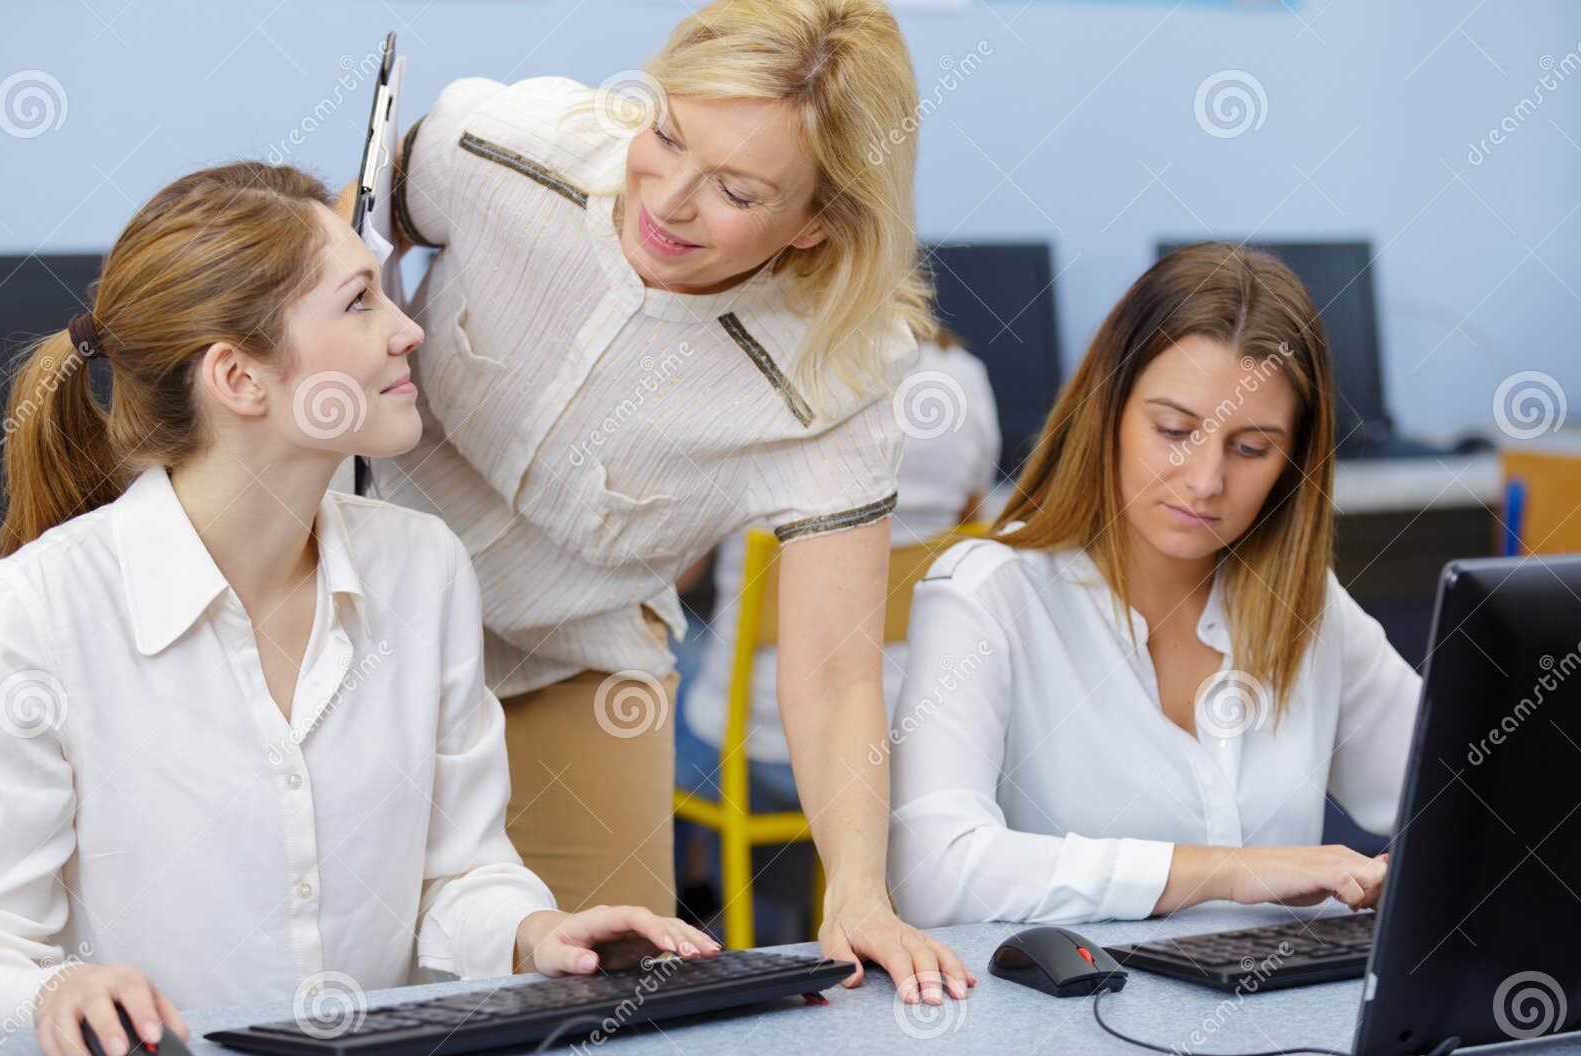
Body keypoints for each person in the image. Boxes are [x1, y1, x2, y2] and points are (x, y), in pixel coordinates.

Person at [0, 161, 717, 1056]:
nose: (407, 329)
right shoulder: (32, 615)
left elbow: (458, 873)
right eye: (360, 300)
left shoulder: (423, 569)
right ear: (241, 379)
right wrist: (56, 992)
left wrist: (534, 932)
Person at [349, 0, 972, 1002]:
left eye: (733, 188)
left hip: (572, 656)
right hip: (353, 620)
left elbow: (831, 671)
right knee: (336, 978)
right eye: (668, 134)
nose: (668, 199)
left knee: (609, 1006)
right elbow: (338, 260)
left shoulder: (831, 383)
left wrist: (859, 887)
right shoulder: (502, 144)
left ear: (819, 219)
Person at [888, 243, 1409, 928]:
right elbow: (933, 873)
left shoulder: (1305, 601)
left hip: (1283, 1023)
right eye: (1174, 429)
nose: (1205, 480)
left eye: (1251, 448)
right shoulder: (989, 597)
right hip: (1077, 1023)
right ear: (1108, 410)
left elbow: (1472, 790)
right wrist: (1227, 870)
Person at [676, 327, 999, 937]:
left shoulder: (744, 376)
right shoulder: (963, 381)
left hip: (762, 758)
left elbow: (678, 568)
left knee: (653, 665)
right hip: (910, 735)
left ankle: (689, 929)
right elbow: (969, 527)